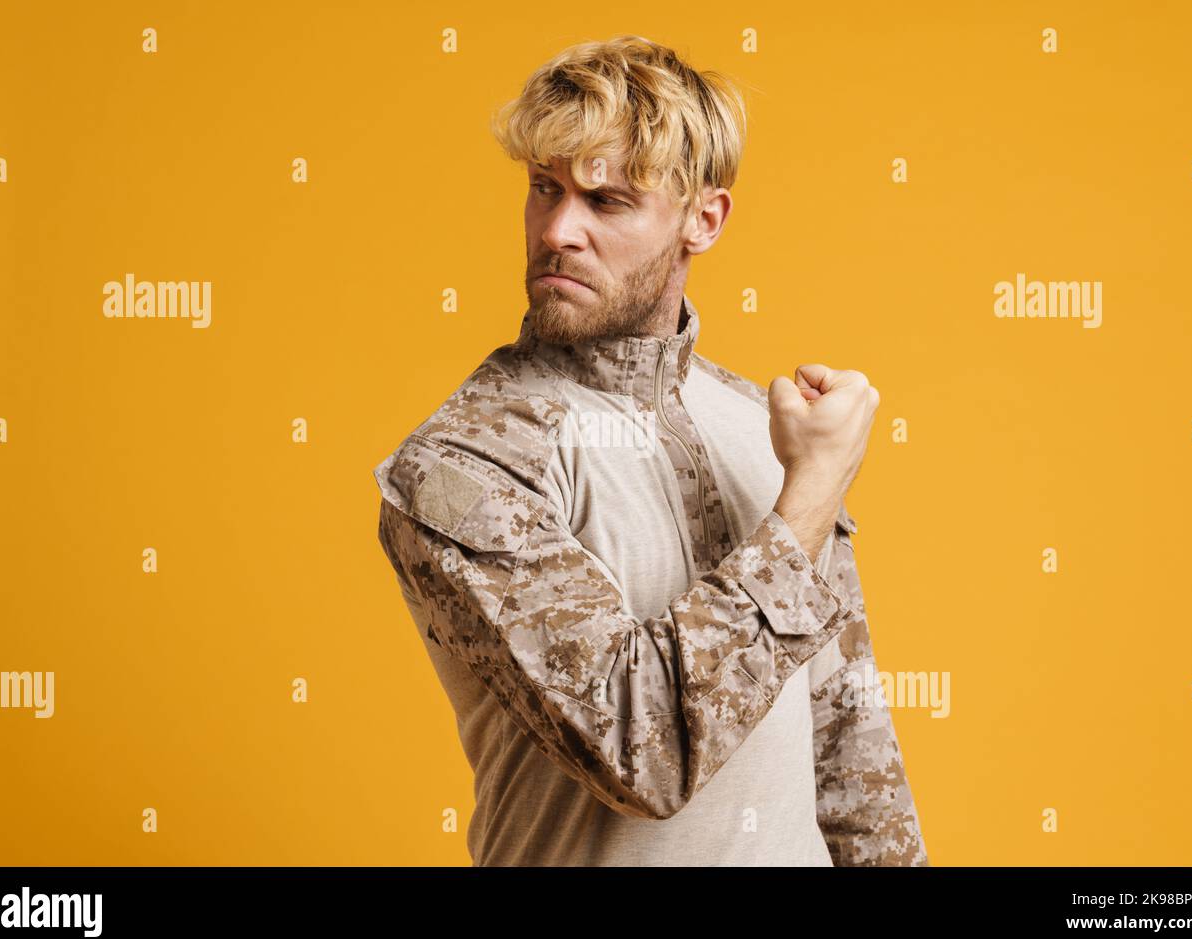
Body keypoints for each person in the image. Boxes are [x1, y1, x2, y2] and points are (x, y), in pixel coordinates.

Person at [371, 34, 928, 866]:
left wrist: (804, 484)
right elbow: (645, 750)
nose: (559, 229)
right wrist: (810, 495)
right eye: (544, 188)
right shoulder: (460, 464)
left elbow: (850, 752)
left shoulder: (767, 428)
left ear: (704, 219)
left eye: (609, 202)